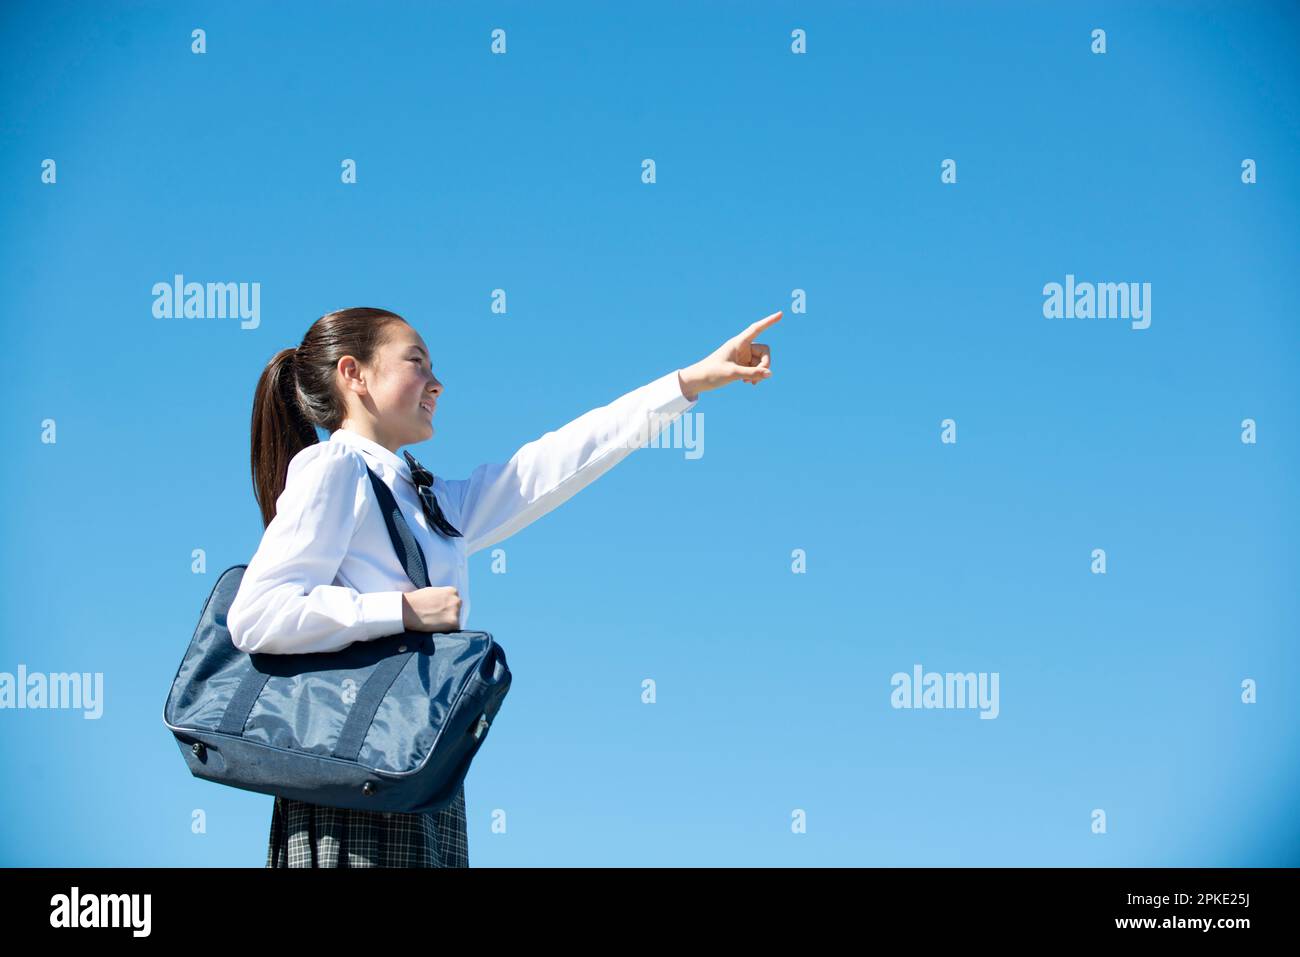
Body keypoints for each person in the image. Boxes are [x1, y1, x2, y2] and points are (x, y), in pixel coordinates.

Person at [227, 305, 780, 867]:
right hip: (352, 774)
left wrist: (688, 383)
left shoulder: (429, 497)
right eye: (416, 362)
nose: (436, 383)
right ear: (354, 374)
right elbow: (258, 614)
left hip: (421, 768)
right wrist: (401, 610)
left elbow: (555, 461)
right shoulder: (332, 467)